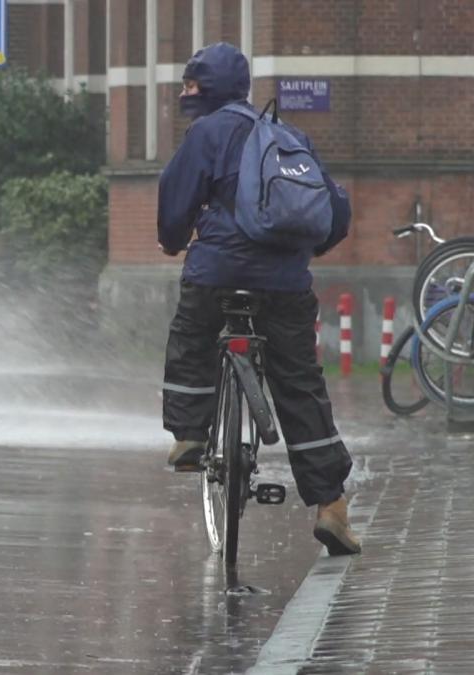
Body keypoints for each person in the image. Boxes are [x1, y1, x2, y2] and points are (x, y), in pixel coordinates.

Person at [157, 42, 360, 556]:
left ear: (208, 90)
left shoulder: (206, 133)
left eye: (190, 86)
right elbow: (332, 209)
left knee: (193, 335)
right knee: (298, 383)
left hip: (217, 271)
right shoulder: (287, 134)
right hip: (286, 284)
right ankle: (331, 507)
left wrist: (173, 240)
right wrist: (303, 252)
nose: (184, 95)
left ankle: (189, 437)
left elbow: (175, 196)